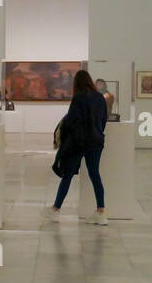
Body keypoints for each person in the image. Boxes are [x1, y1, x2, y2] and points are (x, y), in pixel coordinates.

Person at [45, 69, 108, 224]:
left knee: (68, 175)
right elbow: (103, 120)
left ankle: (56, 209)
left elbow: (72, 121)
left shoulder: (78, 98)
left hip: (79, 143)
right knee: (95, 175)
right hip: (96, 141)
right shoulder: (100, 98)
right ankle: (101, 212)